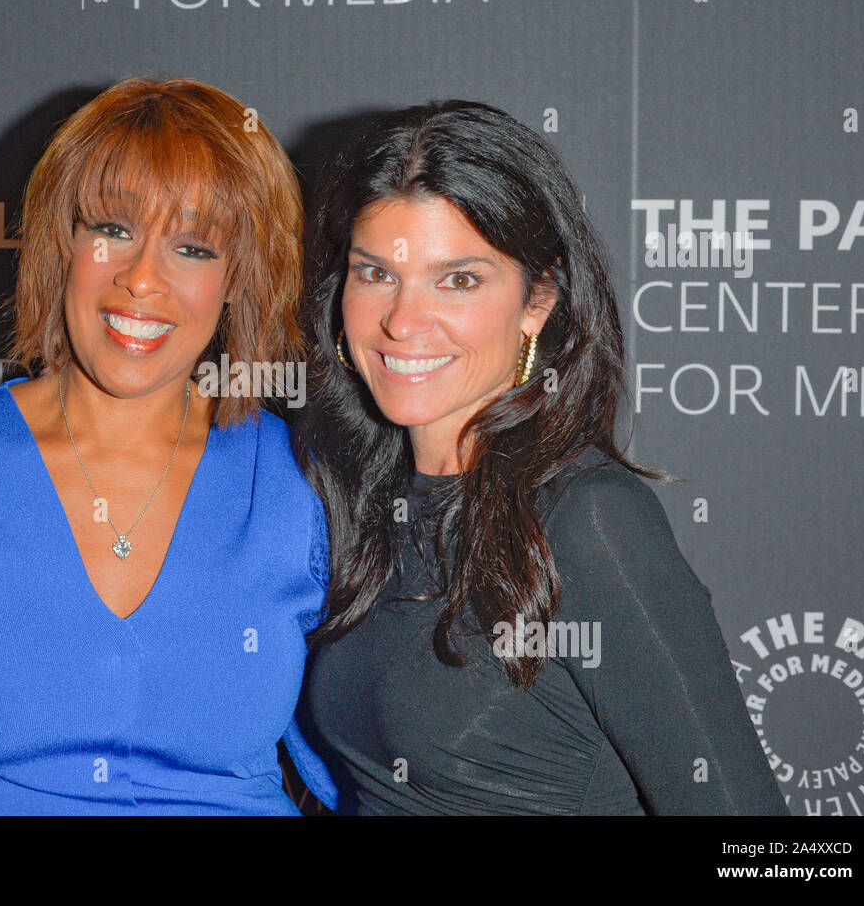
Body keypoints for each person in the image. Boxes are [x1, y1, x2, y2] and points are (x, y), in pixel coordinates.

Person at [0, 77, 334, 814]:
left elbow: (355, 766)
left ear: (240, 279)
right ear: (61, 242)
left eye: (192, 246)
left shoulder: (300, 486)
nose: (142, 279)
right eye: (113, 229)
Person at [292, 100, 789, 815]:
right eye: (376, 273)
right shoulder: (353, 498)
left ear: (539, 299)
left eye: (458, 279)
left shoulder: (587, 519)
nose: (402, 321)